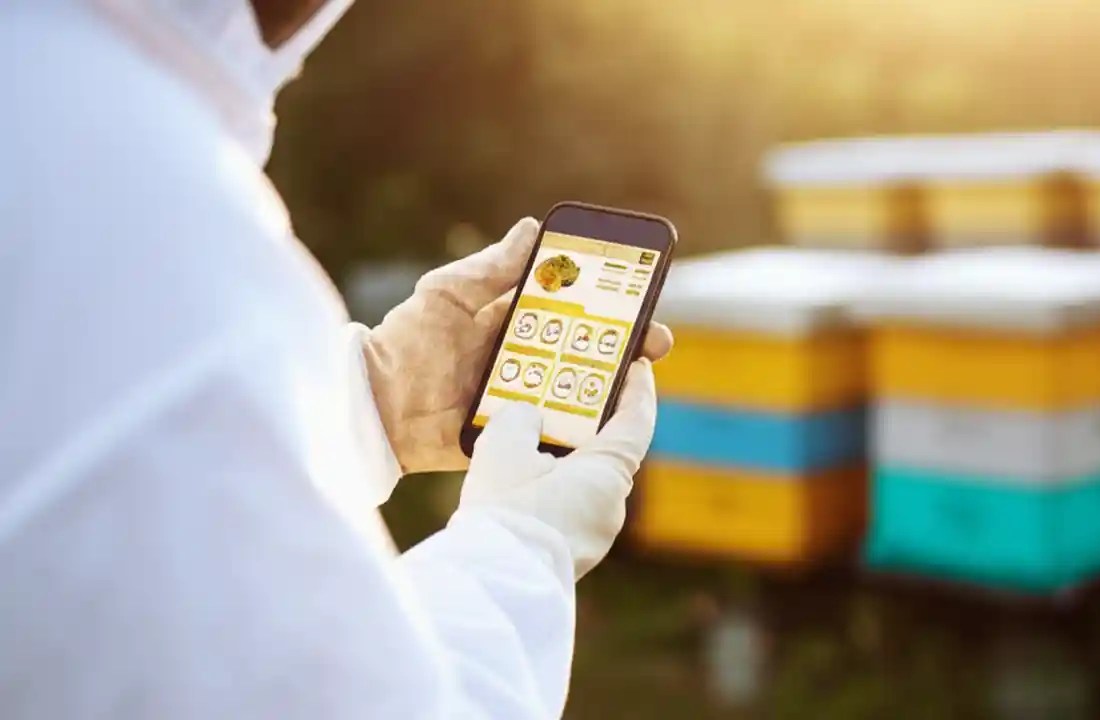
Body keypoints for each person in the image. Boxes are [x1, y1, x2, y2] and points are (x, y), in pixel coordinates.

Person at [0, 1, 673, 717]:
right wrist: (523, 543)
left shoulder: (58, 97)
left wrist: (372, 404)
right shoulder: (145, 193)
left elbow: (123, 548)